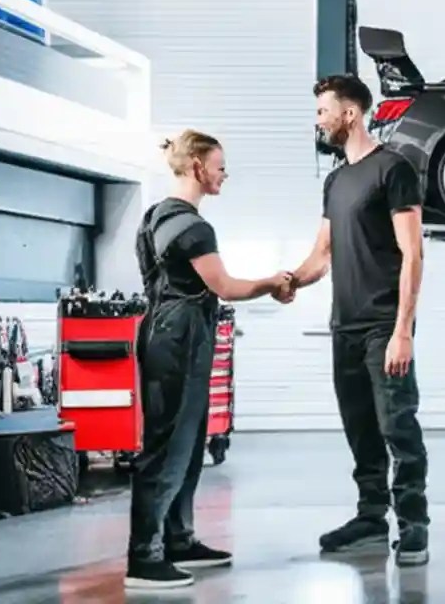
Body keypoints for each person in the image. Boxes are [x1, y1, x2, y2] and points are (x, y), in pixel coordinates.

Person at [126, 129, 294, 590]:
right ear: (198, 167)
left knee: (190, 440)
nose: (225, 174)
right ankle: (145, 558)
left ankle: (178, 539)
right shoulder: (194, 227)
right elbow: (225, 286)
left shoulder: (154, 216)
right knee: (168, 446)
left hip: (172, 330)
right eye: (220, 166)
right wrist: (273, 281)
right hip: (178, 336)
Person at [278, 73, 429, 566]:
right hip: (343, 325)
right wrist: (288, 280)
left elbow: (413, 253)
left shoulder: (393, 169)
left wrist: (403, 330)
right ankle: (370, 519)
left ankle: (414, 526)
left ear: (350, 113)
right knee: (360, 428)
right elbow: (322, 253)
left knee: (397, 427)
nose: (317, 120)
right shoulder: (336, 180)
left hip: (384, 324)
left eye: (323, 111)